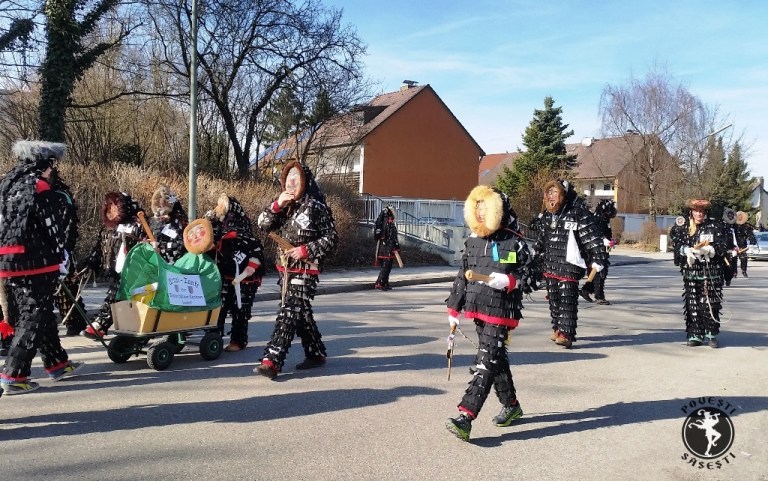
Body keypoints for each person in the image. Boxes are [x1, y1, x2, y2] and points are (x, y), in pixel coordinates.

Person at [444, 185, 535, 442]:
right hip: (478, 309)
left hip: (501, 311)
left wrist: (509, 281)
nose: (481, 213)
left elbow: (530, 274)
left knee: (486, 361)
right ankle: (512, 405)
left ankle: (466, 417)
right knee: (496, 359)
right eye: (478, 207)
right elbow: (463, 275)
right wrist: (454, 308)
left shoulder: (513, 240)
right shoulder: (473, 240)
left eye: (486, 207)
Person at [0, 140, 84, 396]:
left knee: (41, 311)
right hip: (36, 261)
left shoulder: (7, 184)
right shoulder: (39, 186)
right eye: (52, 165)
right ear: (45, 164)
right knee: (33, 316)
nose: (53, 170)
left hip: (7, 261)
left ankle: (57, 363)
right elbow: (51, 227)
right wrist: (62, 256)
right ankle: (14, 374)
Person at [254, 160, 338, 379]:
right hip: (285, 269)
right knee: (299, 312)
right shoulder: (285, 206)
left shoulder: (317, 207)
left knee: (289, 311)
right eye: (288, 179)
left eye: (296, 179)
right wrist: (276, 205)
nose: (291, 183)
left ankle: (271, 361)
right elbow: (262, 224)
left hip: (305, 269)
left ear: (305, 181)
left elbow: (331, 238)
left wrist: (306, 250)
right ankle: (316, 352)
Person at [533, 180, 608, 348]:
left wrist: (598, 256)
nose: (551, 197)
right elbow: (541, 239)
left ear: (563, 195)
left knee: (567, 299)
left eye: (555, 193)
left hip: (570, 265)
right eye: (549, 193)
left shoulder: (578, 213)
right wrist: (535, 255)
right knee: (554, 298)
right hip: (551, 263)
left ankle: (567, 333)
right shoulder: (547, 215)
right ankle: (557, 328)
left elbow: (592, 238)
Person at [79, 192, 147, 339]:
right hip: (116, 270)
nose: (111, 210)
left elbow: (147, 248)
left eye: (115, 206)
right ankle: (115, 326)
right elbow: (98, 248)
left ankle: (100, 326)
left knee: (114, 296)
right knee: (117, 297)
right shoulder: (108, 228)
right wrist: (90, 263)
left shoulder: (137, 226)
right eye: (109, 206)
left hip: (133, 272)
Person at [206, 194, 265, 352]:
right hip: (226, 273)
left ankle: (238, 341)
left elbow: (255, 249)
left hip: (244, 278)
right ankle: (213, 338)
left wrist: (251, 266)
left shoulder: (239, 229)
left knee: (240, 309)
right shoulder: (219, 226)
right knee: (221, 306)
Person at [669, 199, 727, 348]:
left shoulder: (714, 226)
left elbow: (723, 245)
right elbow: (677, 244)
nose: (699, 214)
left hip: (711, 272)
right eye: (696, 211)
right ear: (692, 212)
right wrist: (685, 250)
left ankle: (711, 335)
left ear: (705, 212)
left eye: (701, 211)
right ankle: (695, 335)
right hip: (692, 272)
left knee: (710, 304)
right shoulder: (684, 227)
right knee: (693, 305)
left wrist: (711, 250)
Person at [49, 167, 89, 336]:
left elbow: (69, 224)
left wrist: (65, 248)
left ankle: (75, 322)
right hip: (44, 250)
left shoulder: (62, 196)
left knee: (66, 288)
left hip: (62, 249)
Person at [580, 199, 617, 305]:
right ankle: (599, 296)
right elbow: (597, 235)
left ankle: (586, 290)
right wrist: (605, 241)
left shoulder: (605, 220)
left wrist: (610, 244)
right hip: (595, 251)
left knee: (599, 272)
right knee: (600, 273)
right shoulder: (598, 219)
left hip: (603, 251)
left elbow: (607, 235)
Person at [149, 185, 188, 264]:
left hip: (173, 263)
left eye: (165, 202)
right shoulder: (152, 221)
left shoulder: (178, 222)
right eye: (160, 202)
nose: (162, 205)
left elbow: (181, 244)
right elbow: (147, 237)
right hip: (154, 262)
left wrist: (160, 246)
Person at [373, 206, 400, 290]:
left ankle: (384, 283)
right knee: (386, 267)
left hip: (383, 248)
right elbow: (391, 237)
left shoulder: (384, 223)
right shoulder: (388, 223)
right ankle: (380, 283)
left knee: (385, 267)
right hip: (387, 249)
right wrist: (395, 247)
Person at [732, 211, 757, 278]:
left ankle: (744, 271)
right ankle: (734, 272)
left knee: (744, 259)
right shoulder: (733, 225)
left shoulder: (746, 226)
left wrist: (752, 242)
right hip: (733, 244)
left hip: (742, 245)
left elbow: (750, 235)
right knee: (733, 259)